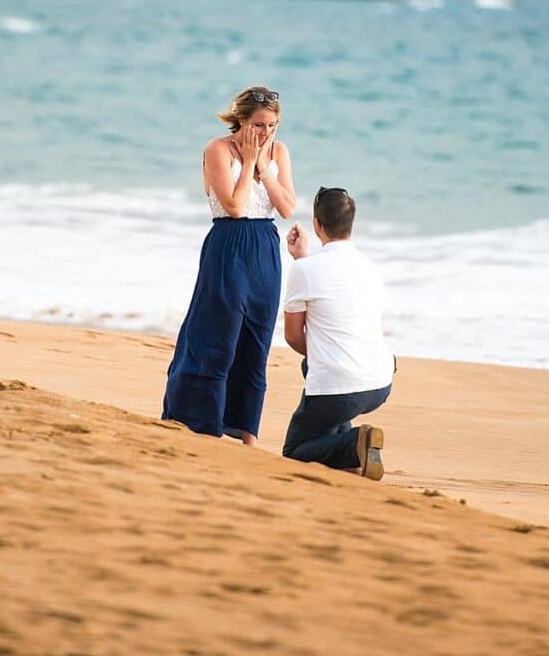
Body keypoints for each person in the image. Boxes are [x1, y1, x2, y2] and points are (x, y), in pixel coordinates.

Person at [162, 87, 297, 445]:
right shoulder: (217, 149)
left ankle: (247, 430)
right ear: (242, 119)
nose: (266, 133)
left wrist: (265, 166)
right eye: (259, 124)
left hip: (264, 247)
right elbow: (235, 206)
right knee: (217, 335)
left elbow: (286, 208)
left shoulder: (279, 152)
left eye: (273, 125)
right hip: (228, 244)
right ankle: (201, 421)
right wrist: (250, 162)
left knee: (257, 337)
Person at [280, 187, 394, 479]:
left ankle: (354, 442)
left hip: (340, 389)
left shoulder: (305, 271)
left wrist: (322, 356)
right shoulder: (370, 268)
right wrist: (302, 259)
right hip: (379, 382)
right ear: (351, 224)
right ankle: (351, 439)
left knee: (295, 451)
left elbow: (293, 336)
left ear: (317, 224)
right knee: (317, 366)